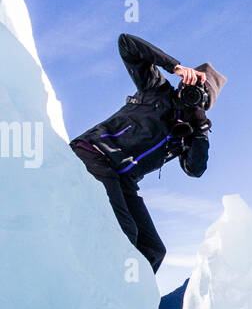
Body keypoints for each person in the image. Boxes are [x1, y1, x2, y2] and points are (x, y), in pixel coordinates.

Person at [70, 33, 226, 273]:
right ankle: (96, 294)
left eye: (199, 96)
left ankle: (129, 304)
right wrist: (173, 65)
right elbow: (126, 44)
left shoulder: (187, 132)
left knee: (153, 250)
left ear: (205, 104)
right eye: (191, 87)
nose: (190, 95)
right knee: (125, 233)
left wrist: (200, 131)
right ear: (184, 83)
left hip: (124, 179)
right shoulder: (156, 89)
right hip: (95, 153)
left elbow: (195, 170)